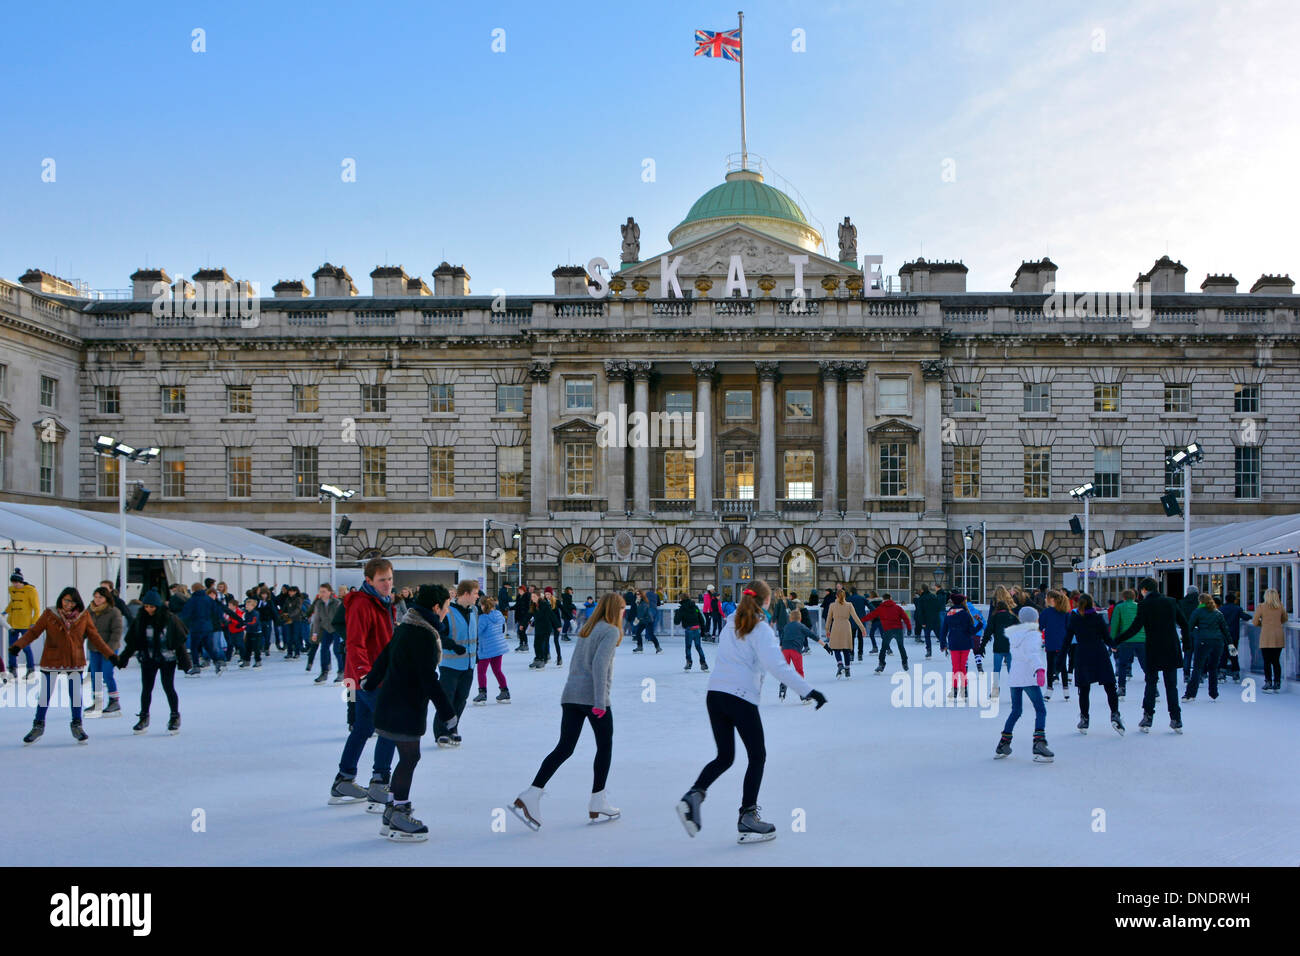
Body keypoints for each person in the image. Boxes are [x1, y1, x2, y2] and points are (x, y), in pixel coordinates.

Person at [676, 580, 827, 844]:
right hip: (740, 697)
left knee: (725, 756)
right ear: (766, 601)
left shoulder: (730, 624)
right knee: (757, 756)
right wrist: (809, 691)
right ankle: (747, 816)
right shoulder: (760, 629)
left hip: (715, 695)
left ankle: (694, 795)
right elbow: (778, 666)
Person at [513, 592, 626, 831]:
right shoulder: (610, 631)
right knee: (605, 746)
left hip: (571, 695)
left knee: (565, 747)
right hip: (593, 698)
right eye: (623, 609)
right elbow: (599, 665)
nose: (624, 613)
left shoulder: (588, 628)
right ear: (615, 610)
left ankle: (532, 793)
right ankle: (598, 799)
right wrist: (599, 702)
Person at [365, 584, 459, 842]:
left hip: (392, 704)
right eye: (446, 608)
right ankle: (399, 814)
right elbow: (428, 679)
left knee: (407, 758)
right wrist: (448, 715)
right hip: (404, 707)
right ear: (436, 607)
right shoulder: (423, 634)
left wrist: (370, 682)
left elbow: (385, 657)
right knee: (409, 758)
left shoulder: (408, 626)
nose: (446, 613)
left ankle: (391, 811)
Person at [329, 557, 399, 808]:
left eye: (390, 579)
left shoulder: (384, 602)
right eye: (382, 580)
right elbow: (355, 642)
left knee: (363, 728)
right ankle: (380, 783)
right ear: (368, 580)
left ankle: (344, 779)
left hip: (376, 675)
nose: (387, 584)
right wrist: (365, 675)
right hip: (367, 678)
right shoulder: (362, 604)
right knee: (391, 725)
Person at [13, 587, 119, 744]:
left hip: (74, 661)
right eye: (66, 600)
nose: (69, 604)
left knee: (75, 695)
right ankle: (38, 725)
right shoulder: (50, 614)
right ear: (61, 599)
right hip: (52, 659)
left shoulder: (83, 616)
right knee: (45, 695)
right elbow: (34, 632)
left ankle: (77, 725)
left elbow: (95, 638)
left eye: (72, 601)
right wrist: (18, 645)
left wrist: (111, 655)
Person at [1114, 577, 1188, 733]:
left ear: (1144, 590)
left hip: (1153, 647)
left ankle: (1148, 717)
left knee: (1151, 682)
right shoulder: (1171, 602)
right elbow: (1184, 624)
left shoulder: (1144, 605)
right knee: (1171, 686)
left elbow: (1135, 627)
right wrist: (1187, 645)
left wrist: (1117, 640)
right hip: (1170, 647)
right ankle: (1176, 718)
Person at [117, 590, 191, 734]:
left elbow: (179, 641)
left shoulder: (170, 619)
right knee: (146, 689)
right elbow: (133, 642)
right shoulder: (141, 620)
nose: (149, 610)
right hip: (148, 658)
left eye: (152, 607)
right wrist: (124, 658)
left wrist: (185, 662)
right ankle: (144, 717)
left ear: (158, 606)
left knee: (168, 687)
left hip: (167, 659)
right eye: (146, 607)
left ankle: (175, 716)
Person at [995, 606, 1053, 762]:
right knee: (1041, 710)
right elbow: (1031, 653)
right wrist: (1039, 669)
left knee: (1016, 711)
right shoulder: (1033, 634)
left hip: (1015, 676)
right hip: (1028, 676)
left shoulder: (1015, 634)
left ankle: (1003, 743)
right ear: (1034, 619)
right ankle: (1039, 743)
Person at [1067, 594, 1124, 734]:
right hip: (1099, 652)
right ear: (1092, 604)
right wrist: (1114, 645)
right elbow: (1106, 636)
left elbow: (1067, 638)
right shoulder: (1098, 618)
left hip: (1083, 653)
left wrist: (1061, 657)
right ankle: (1115, 714)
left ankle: (1085, 718)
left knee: (1084, 689)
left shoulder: (1075, 620)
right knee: (1109, 685)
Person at [435, 581, 478, 746]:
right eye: (475, 593)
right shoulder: (448, 612)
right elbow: (439, 635)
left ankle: (453, 729)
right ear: (466, 594)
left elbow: (474, 635)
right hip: (450, 665)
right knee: (447, 699)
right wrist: (454, 646)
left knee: (461, 699)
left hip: (469, 664)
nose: (477, 596)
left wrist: (477, 654)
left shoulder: (474, 610)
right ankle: (441, 732)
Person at [84, 586, 125, 717]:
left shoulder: (114, 612)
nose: (97, 600)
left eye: (100, 597)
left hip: (109, 648)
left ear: (106, 598)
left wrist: (109, 650)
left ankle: (114, 701)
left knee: (107, 674)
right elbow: (83, 629)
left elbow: (117, 632)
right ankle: (97, 702)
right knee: (95, 675)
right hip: (94, 648)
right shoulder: (89, 611)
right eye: (95, 597)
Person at [1183, 591, 1229, 702]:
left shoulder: (1198, 611)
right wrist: (1230, 643)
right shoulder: (1218, 613)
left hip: (1203, 641)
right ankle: (1213, 693)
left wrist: (1185, 638)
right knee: (1213, 667)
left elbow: (1190, 626)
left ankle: (1190, 694)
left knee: (1198, 667)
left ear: (1200, 601)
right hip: (1217, 642)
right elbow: (1225, 629)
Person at [777, 607, 825, 701]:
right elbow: (813, 636)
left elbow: (782, 639)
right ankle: (803, 694)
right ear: (800, 618)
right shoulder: (801, 626)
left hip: (785, 650)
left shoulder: (786, 626)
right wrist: (825, 645)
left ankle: (783, 685)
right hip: (795, 651)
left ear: (790, 618)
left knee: (785, 670)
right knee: (799, 671)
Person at [939, 593, 981, 700]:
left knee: (955, 667)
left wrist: (943, 644)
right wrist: (979, 623)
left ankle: (954, 690)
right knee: (963, 667)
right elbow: (972, 631)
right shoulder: (966, 614)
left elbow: (943, 631)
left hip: (953, 642)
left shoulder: (949, 613)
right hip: (965, 643)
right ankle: (964, 690)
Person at [472, 596, 511, 704]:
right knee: (497, 670)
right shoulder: (499, 614)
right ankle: (505, 692)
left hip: (487, 648)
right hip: (498, 647)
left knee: (481, 671)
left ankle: (482, 694)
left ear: (484, 606)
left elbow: (477, 632)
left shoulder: (483, 618)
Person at [1109, 588, 1146, 699]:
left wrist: (1113, 642)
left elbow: (1115, 625)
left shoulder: (1119, 607)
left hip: (1126, 640)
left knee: (1122, 664)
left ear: (1123, 597)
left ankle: (1121, 688)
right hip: (1141, 639)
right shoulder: (1140, 607)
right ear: (1135, 597)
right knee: (1145, 665)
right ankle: (1154, 689)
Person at [180, 582, 223, 675]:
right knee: (208, 646)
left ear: (193, 590)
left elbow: (185, 613)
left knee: (194, 647)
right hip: (208, 627)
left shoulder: (192, 600)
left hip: (196, 627)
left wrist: (182, 623)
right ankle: (216, 662)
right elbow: (217, 611)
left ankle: (196, 666)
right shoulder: (208, 599)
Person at [865, 592, 911, 674]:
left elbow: (871, 615)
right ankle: (905, 663)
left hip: (888, 630)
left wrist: (859, 620)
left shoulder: (881, 608)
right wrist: (909, 628)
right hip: (898, 630)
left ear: (883, 599)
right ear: (890, 598)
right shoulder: (897, 608)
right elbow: (906, 618)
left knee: (883, 648)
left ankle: (881, 664)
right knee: (901, 647)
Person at [5, 570, 40, 681]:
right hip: (13, 623)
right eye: (13, 582)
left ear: (21, 581)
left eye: (16, 582)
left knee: (26, 648)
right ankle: (12, 670)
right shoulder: (13, 591)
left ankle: (30, 670)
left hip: (26, 624)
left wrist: (34, 622)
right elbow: (13, 603)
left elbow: (37, 608)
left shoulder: (30, 591)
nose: (14, 585)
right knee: (12, 648)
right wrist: (5, 612)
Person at [1252, 588, 1288, 693]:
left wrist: (1262, 624)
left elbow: (1255, 622)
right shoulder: (1280, 606)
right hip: (1278, 636)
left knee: (1267, 661)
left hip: (1266, 636)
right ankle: (1277, 682)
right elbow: (1285, 618)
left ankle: (1268, 681)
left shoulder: (1261, 607)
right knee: (1276, 661)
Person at [824, 588, 865, 678]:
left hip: (836, 626)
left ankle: (840, 664)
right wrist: (862, 628)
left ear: (836, 596)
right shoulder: (849, 605)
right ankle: (847, 670)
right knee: (846, 648)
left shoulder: (832, 605)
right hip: (846, 626)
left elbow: (829, 618)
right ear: (845, 596)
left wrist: (827, 629)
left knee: (836, 648)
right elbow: (856, 618)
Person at [1040, 590, 1071, 699]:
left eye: (1046, 598)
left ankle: (1049, 689)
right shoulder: (1065, 612)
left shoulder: (1046, 612)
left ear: (1051, 599)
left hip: (1051, 642)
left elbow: (1040, 626)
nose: (1045, 599)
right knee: (1063, 667)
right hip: (1063, 642)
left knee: (1050, 666)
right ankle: (1066, 690)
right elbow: (1069, 627)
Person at [308, 583, 342, 683]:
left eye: (324, 592)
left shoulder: (336, 603)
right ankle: (324, 672)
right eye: (320, 592)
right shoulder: (318, 604)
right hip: (326, 629)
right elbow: (317, 619)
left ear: (329, 592)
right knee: (323, 649)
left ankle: (341, 671)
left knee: (337, 650)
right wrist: (315, 634)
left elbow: (342, 617)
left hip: (336, 629)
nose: (321, 594)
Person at [984, 599, 1018, 697]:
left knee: (996, 670)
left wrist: (983, 645)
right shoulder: (1012, 617)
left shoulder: (994, 617)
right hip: (1010, 646)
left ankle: (995, 690)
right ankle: (1014, 691)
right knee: (1011, 670)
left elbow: (988, 632)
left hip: (998, 646)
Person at [675, 592, 708, 671]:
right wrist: (703, 630)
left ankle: (689, 663)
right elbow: (702, 619)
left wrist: (677, 613)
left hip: (689, 629)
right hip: (697, 629)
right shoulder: (695, 607)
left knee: (688, 647)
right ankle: (703, 664)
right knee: (698, 647)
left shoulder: (682, 609)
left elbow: (676, 622)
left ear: (681, 599)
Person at [1218, 592, 1246, 684]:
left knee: (1223, 654)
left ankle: (1222, 673)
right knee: (1233, 653)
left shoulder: (1221, 609)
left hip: (1223, 635)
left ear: (1225, 600)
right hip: (1233, 635)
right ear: (1234, 600)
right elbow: (1245, 616)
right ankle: (1235, 673)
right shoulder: (1237, 609)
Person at [530, 587, 560, 668]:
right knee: (536, 644)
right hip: (538, 627)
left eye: (534, 597)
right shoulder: (533, 604)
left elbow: (552, 615)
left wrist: (558, 625)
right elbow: (530, 614)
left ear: (538, 596)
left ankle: (542, 660)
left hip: (546, 627)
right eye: (532, 597)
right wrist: (525, 622)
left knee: (541, 644)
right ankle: (537, 659)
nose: (532, 598)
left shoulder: (544, 604)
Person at [913, 584, 942, 659]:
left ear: (922, 590)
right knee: (939, 635)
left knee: (927, 637)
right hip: (935, 619)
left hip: (926, 621)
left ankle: (929, 652)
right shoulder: (934, 596)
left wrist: (922, 622)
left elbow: (920, 612)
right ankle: (946, 647)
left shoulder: (921, 599)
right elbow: (939, 607)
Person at [513, 585, 532, 653]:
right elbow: (517, 605)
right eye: (519, 590)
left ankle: (526, 645)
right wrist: (510, 608)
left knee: (522, 630)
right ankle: (521, 644)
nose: (519, 591)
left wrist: (527, 617)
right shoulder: (519, 596)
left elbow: (528, 607)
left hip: (525, 616)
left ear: (524, 590)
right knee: (520, 631)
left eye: (521, 590)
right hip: (519, 616)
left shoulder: (527, 596)